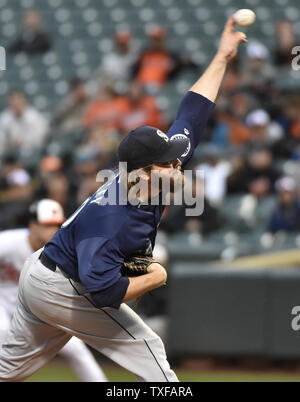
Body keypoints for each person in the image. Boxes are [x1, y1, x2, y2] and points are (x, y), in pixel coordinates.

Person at [0, 16, 247, 382]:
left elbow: (193, 110)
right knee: (149, 350)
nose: (178, 162)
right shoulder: (112, 219)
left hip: (45, 274)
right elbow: (104, 293)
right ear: (144, 171)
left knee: (7, 370)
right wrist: (155, 275)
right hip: (63, 286)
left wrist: (222, 58)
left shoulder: (148, 176)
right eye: (168, 161)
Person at [0, 199, 108, 382]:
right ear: (33, 225)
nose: (55, 230)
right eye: (48, 225)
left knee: (76, 348)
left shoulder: (64, 251)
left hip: (35, 306)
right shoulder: (8, 242)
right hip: (2, 302)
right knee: (2, 334)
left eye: (58, 225)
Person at [0, 90, 49, 158]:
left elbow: (39, 140)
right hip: (10, 155)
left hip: (33, 154)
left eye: (18, 99)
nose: (16, 103)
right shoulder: (5, 118)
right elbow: (1, 140)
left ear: (24, 100)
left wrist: (23, 143)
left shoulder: (34, 116)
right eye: (13, 100)